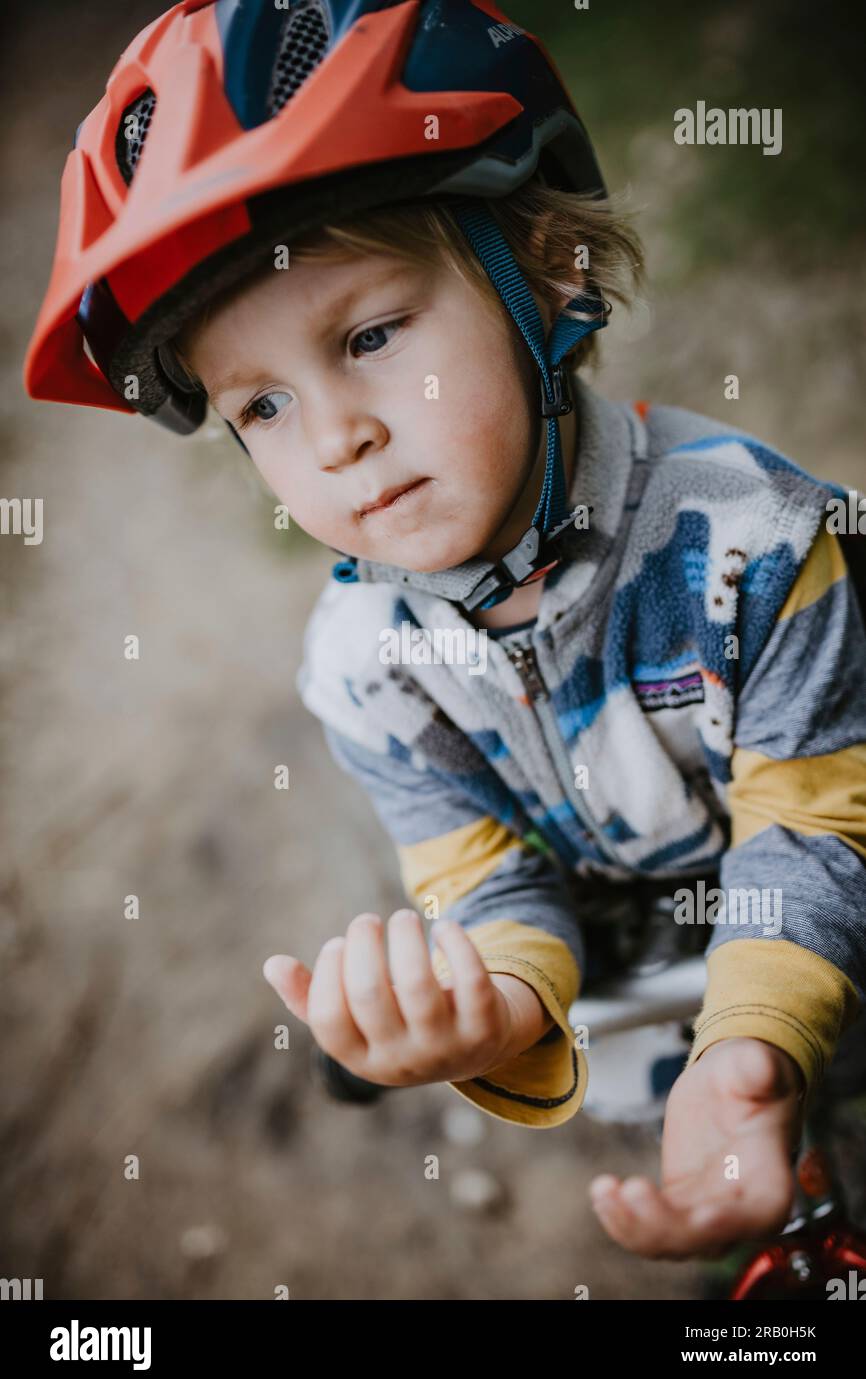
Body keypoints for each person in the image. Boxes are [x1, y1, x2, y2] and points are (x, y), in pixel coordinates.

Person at [24, 0, 866, 1262]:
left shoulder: (757, 543)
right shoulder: (361, 669)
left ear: (546, 269)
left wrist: (749, 1050)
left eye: (369, 337)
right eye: (260, 403)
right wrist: (497, 1005)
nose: (335, 437)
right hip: (641, 991)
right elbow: (487, 875)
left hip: (817, 923)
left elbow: (813, 820)